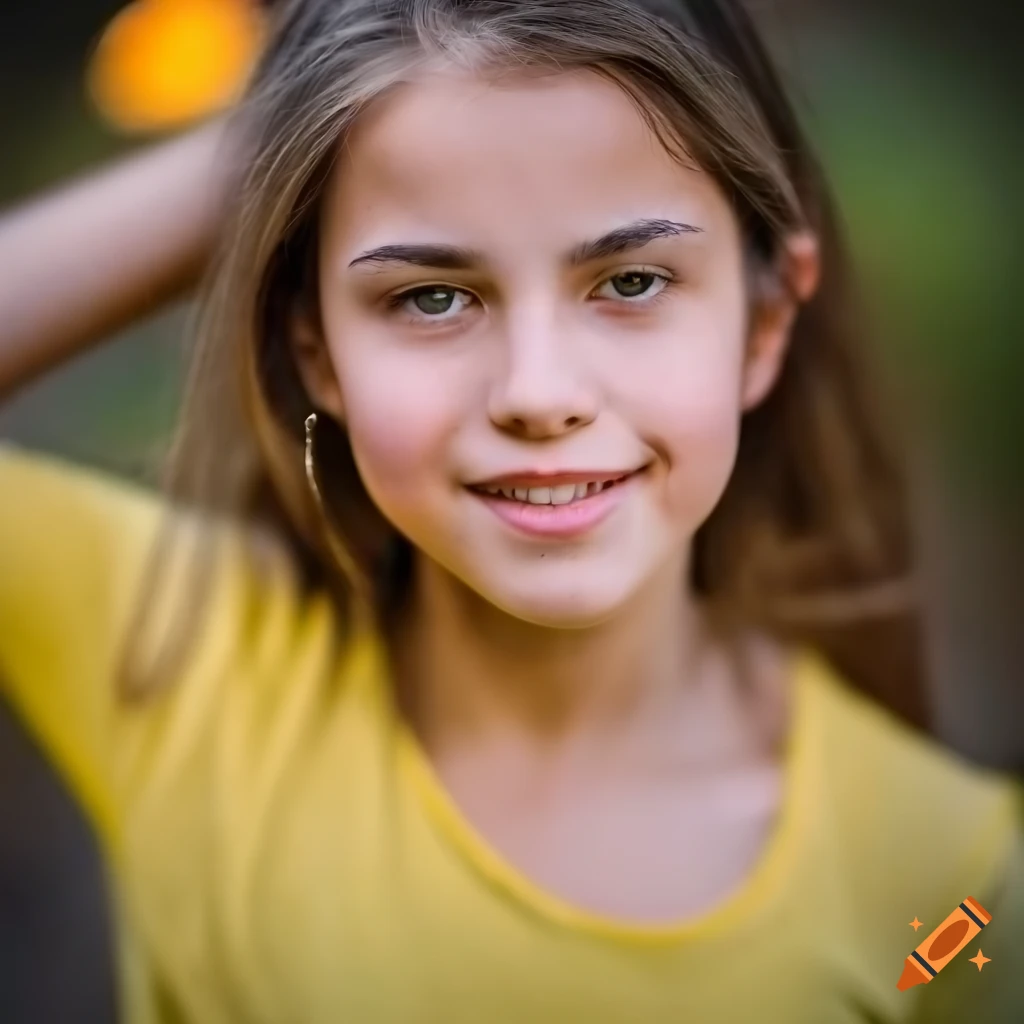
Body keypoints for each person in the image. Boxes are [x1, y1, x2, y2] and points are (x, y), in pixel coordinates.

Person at [0, 1, 1021, 1021]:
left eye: (629, 280)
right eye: (432, 296)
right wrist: (271, 138)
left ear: (762, 321)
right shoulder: (187, 673)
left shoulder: (951, 898)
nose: (536, 392)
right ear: (315, 347)